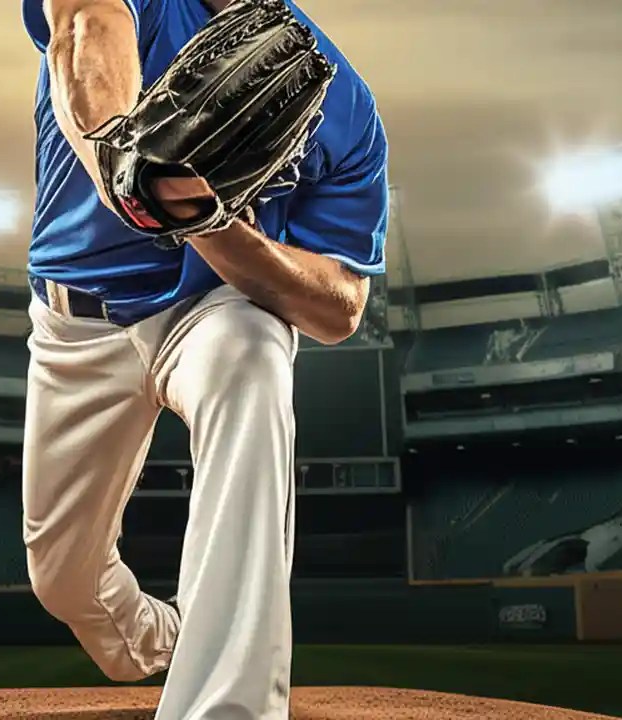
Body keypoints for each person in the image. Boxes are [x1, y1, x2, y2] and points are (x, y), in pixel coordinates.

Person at [20, 0, 388, 717]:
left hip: (214, 310)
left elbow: (340, 307)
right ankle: (165, 640)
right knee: (62, 579)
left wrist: (205, 220)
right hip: (78, 323)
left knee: (254, 356)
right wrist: (128, 165)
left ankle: (227, 706)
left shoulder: (345, 103)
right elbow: (84, 30)